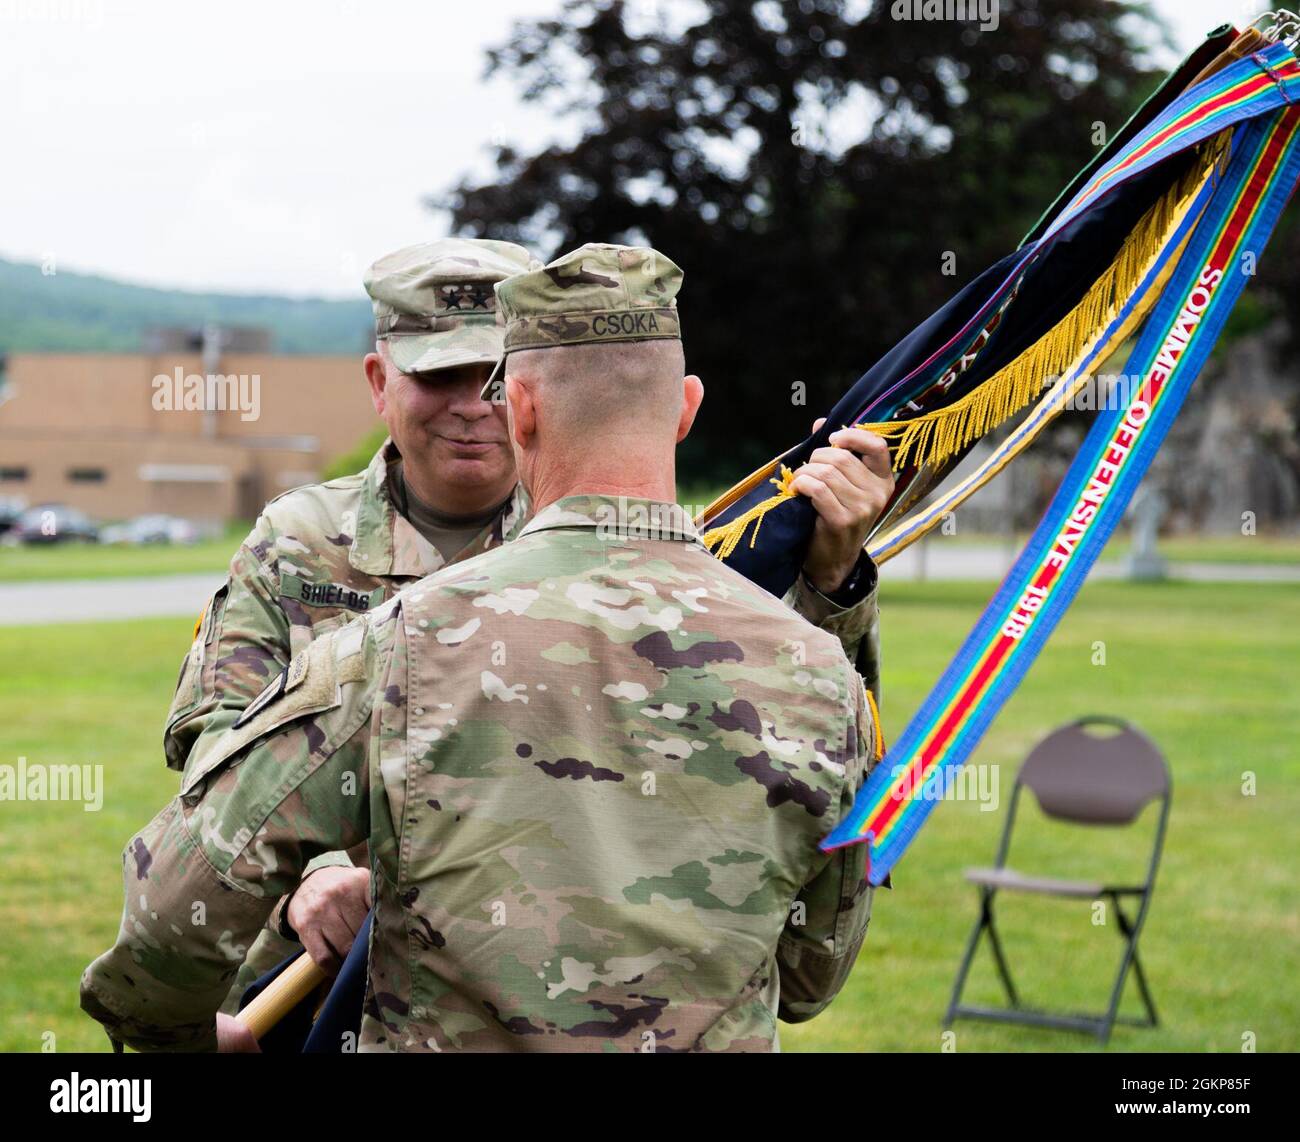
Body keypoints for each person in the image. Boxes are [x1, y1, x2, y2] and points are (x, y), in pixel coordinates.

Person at [82, 243, 892, 1052]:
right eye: (441, 376)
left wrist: (834, 586)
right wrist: (317, 872)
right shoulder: (300, 543)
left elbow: (178, 897)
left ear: (523, 402)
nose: (473, 405)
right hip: (309, 994)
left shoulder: (404, 639)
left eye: (491, 379)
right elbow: (814, 958)